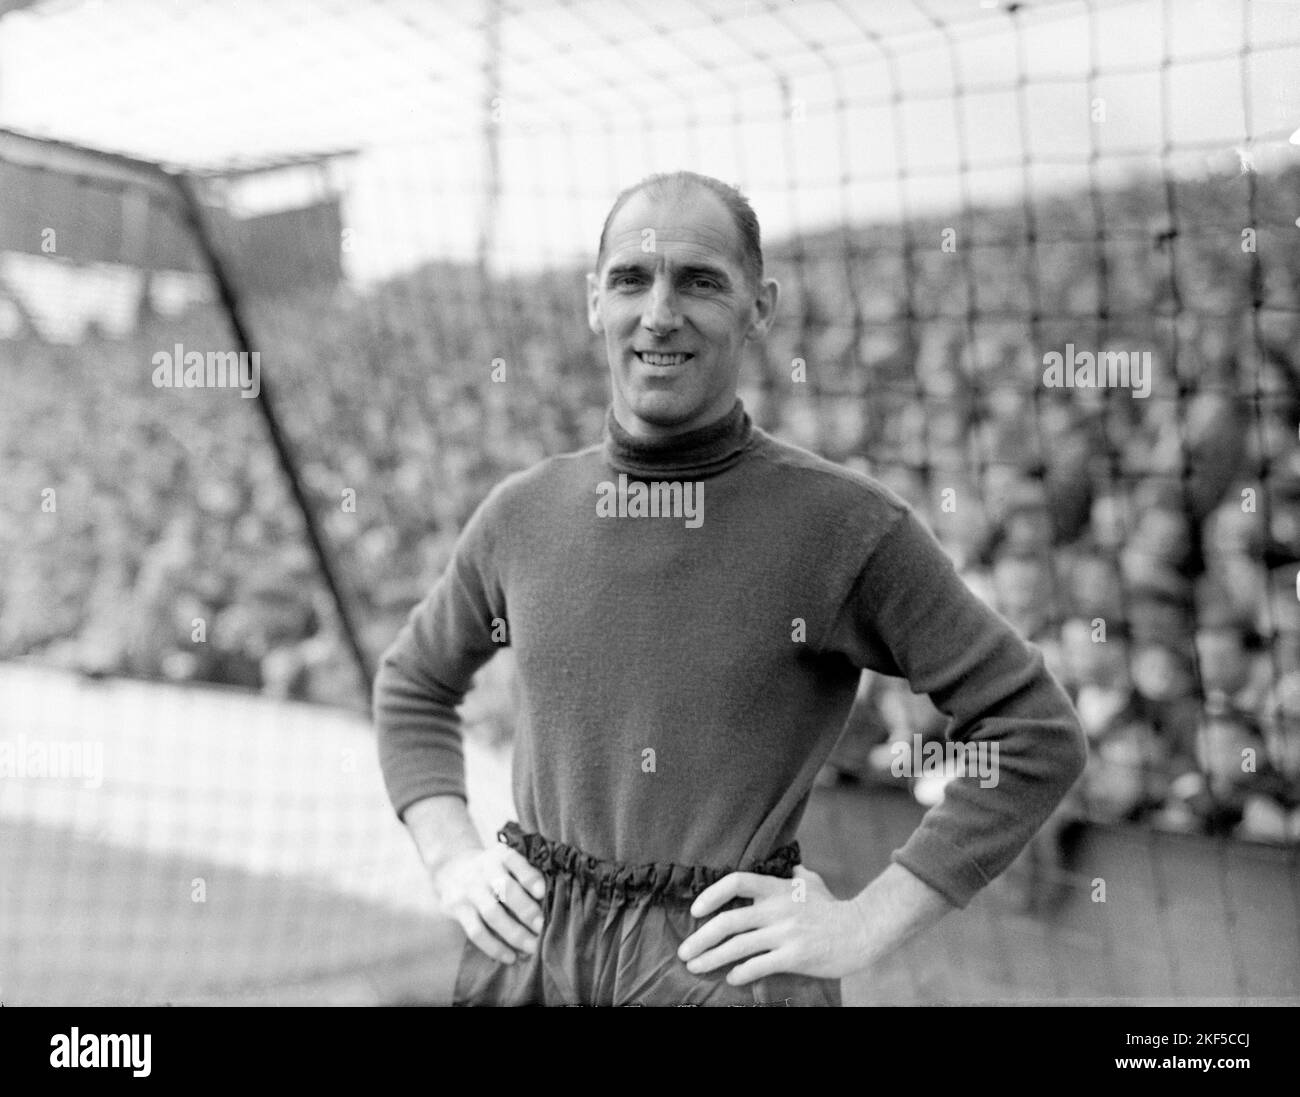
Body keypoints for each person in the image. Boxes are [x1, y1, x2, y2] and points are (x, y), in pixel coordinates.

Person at [373, 170, 1087, 1007]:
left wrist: (867, 921)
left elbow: (1033, 730)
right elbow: (412, 684)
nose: (660, 312)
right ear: (592, 302)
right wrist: (452, 854)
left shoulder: (843, 526)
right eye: (631, 279)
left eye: (700, 281)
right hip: (529, 965)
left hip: (721, 971)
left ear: (761, 306)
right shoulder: (521, 514)